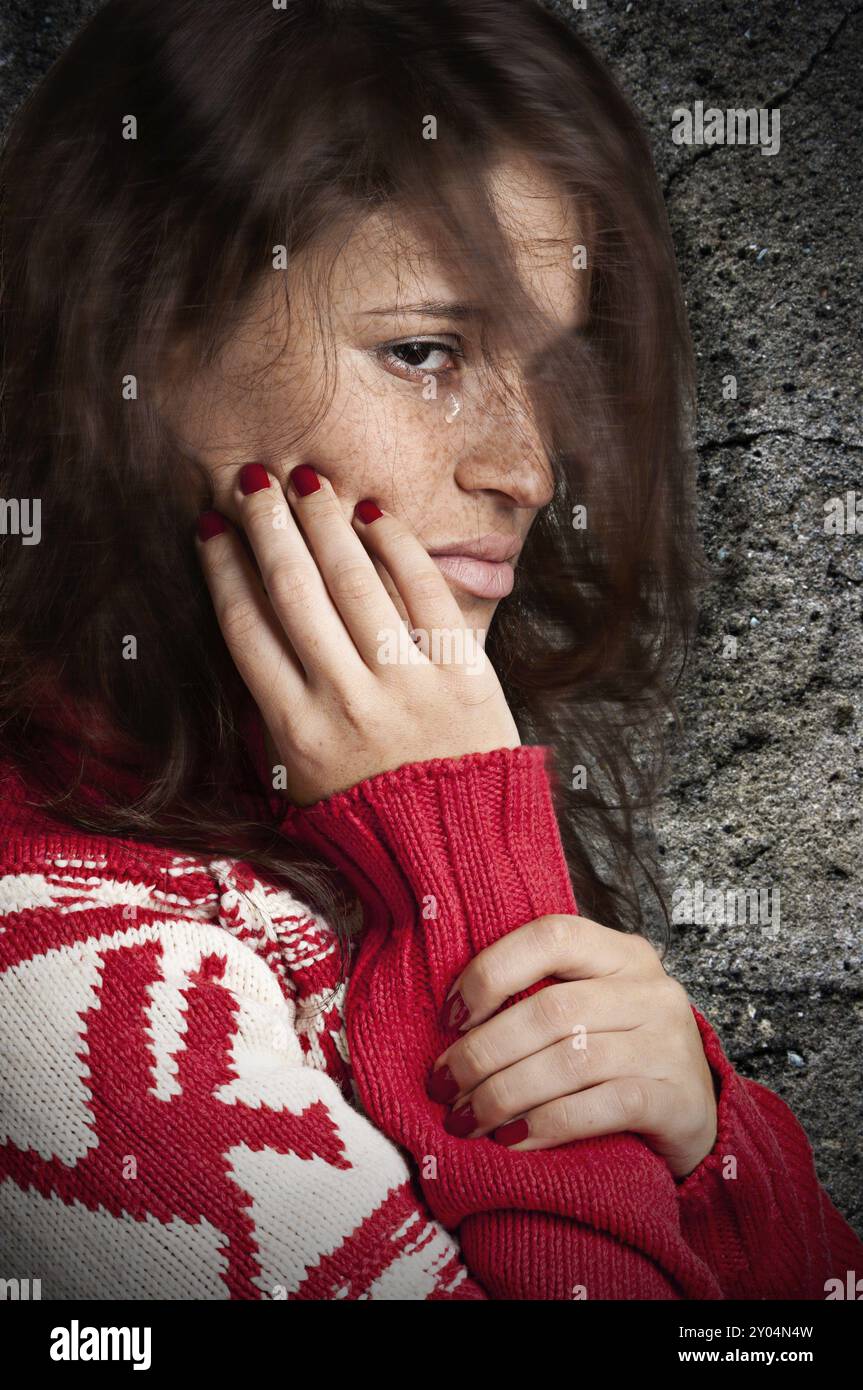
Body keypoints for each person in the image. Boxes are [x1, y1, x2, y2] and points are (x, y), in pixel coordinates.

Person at [0, 0, 859, 1300]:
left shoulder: (301, 829)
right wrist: (467, 874)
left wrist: (712, 1154)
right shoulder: (66, 993)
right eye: (423, 350)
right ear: (142, 341)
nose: (524, 468)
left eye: (550, 372)